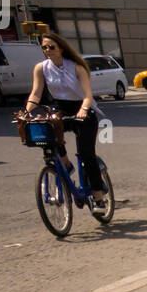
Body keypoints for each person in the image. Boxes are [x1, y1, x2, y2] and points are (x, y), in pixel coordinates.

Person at [24, 32, 108, 209]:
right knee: (47, 134)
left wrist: (84, 110)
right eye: (44, 47)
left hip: (82, 108)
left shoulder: (77, 67)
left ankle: (99, 197)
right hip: (60, 108)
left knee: (86, 154)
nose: (48, 50)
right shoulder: (41, 68)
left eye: (51, 47)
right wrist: (27, 111)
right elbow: (36, 93)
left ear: (61, 48)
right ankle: (65, 163)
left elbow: (87, 95)